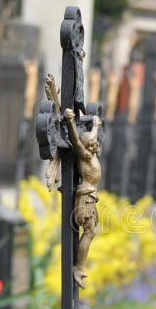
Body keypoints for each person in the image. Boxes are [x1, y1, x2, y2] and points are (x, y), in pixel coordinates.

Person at [64, 108, 102, 288]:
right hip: (85, 198)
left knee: (91, 232)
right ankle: (78, 268)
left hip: (91, 197)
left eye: (95, 143)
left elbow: (91, 137)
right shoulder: (85, 155)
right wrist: (70, 122)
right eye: (92, 144)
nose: (95, 145)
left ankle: (79, 267)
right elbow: (76, 141)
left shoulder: (91, 152)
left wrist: (95, 125)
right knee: (89, 232)